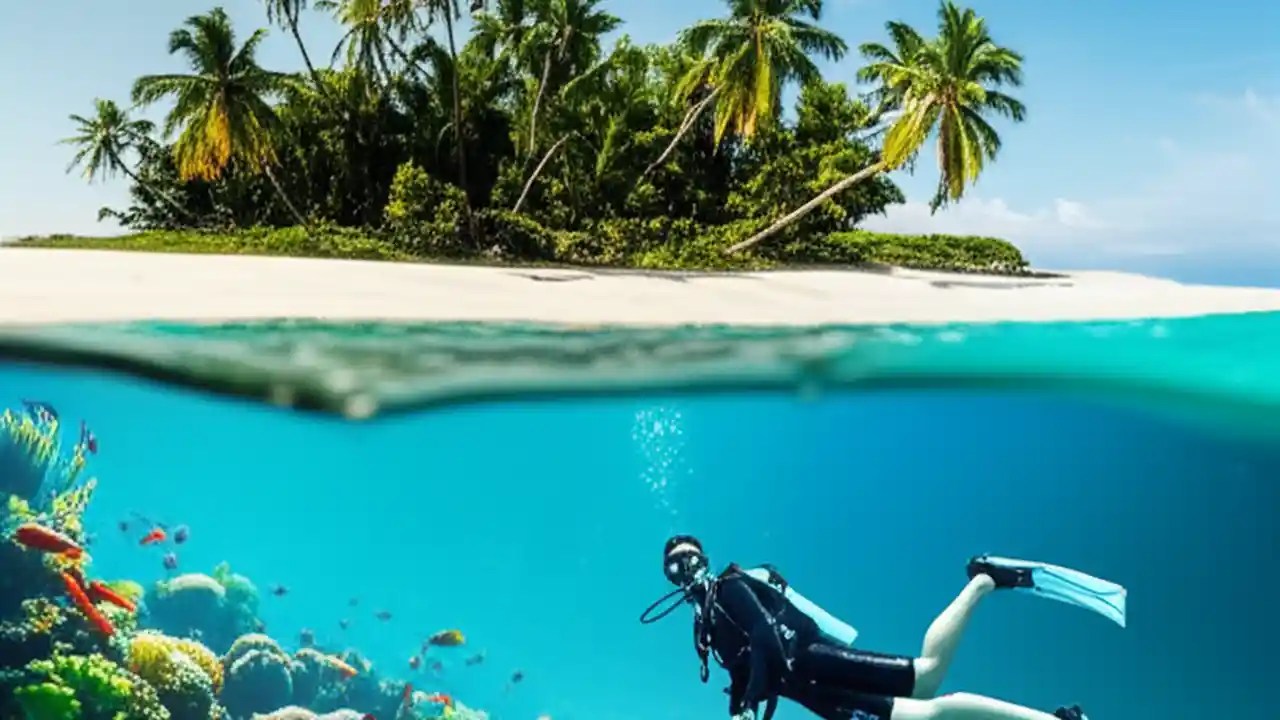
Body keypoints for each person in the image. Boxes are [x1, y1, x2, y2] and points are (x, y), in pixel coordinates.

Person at [639, 535, 1121, 720]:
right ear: (669, 578)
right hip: (815, 692)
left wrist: (750, 712)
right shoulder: (705, 628)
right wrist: (738, 708)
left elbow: (766, 636)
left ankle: (984, 581)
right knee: (930, 717)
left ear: (705, 560)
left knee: (928, 677)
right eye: (675, 567)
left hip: (816, 663)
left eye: (691, 559)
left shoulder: (729, 587)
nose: (686, 571)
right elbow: (744, 671)